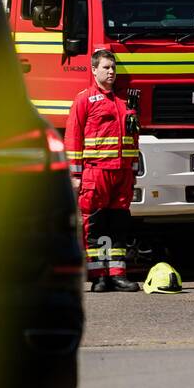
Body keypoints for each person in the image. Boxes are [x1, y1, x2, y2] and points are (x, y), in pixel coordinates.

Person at [64, 49, 140, 292]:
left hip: (122, 174)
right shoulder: (84, 99)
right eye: (106, 67)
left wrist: (133, 170)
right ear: (94, 70)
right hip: (95, 174)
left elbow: (133, 138)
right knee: (94, 226)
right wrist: (75, 176)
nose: (111, 71)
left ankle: (117, 273)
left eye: (113, 67)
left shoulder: (125, 101)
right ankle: (98, 276)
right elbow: (73, 138)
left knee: (118, 225)